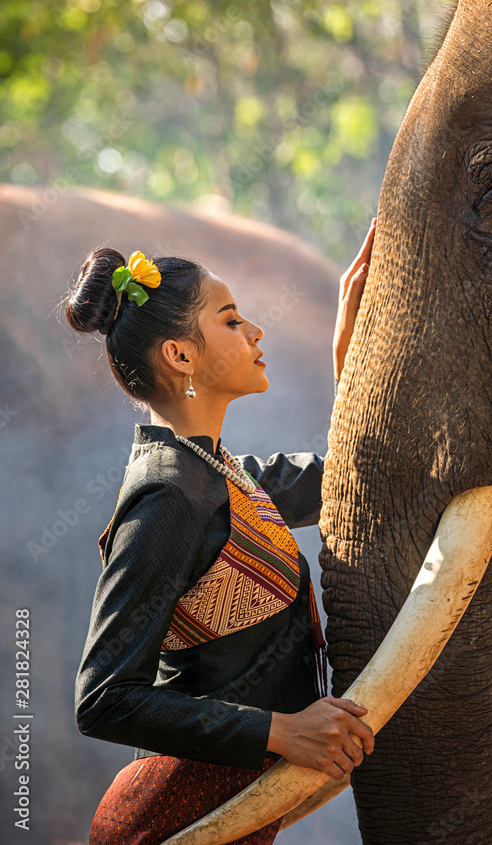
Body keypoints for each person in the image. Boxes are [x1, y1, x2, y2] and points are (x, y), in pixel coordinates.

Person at [68, 219, 377, 845]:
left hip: (230, 818)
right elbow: (103, 698)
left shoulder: (219, 471)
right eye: (232, 320)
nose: (256, 331)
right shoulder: (167, 496)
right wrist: (282, 732)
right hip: (173, 824)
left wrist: (350, 356)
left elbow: (345, 476)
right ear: (180, 356)